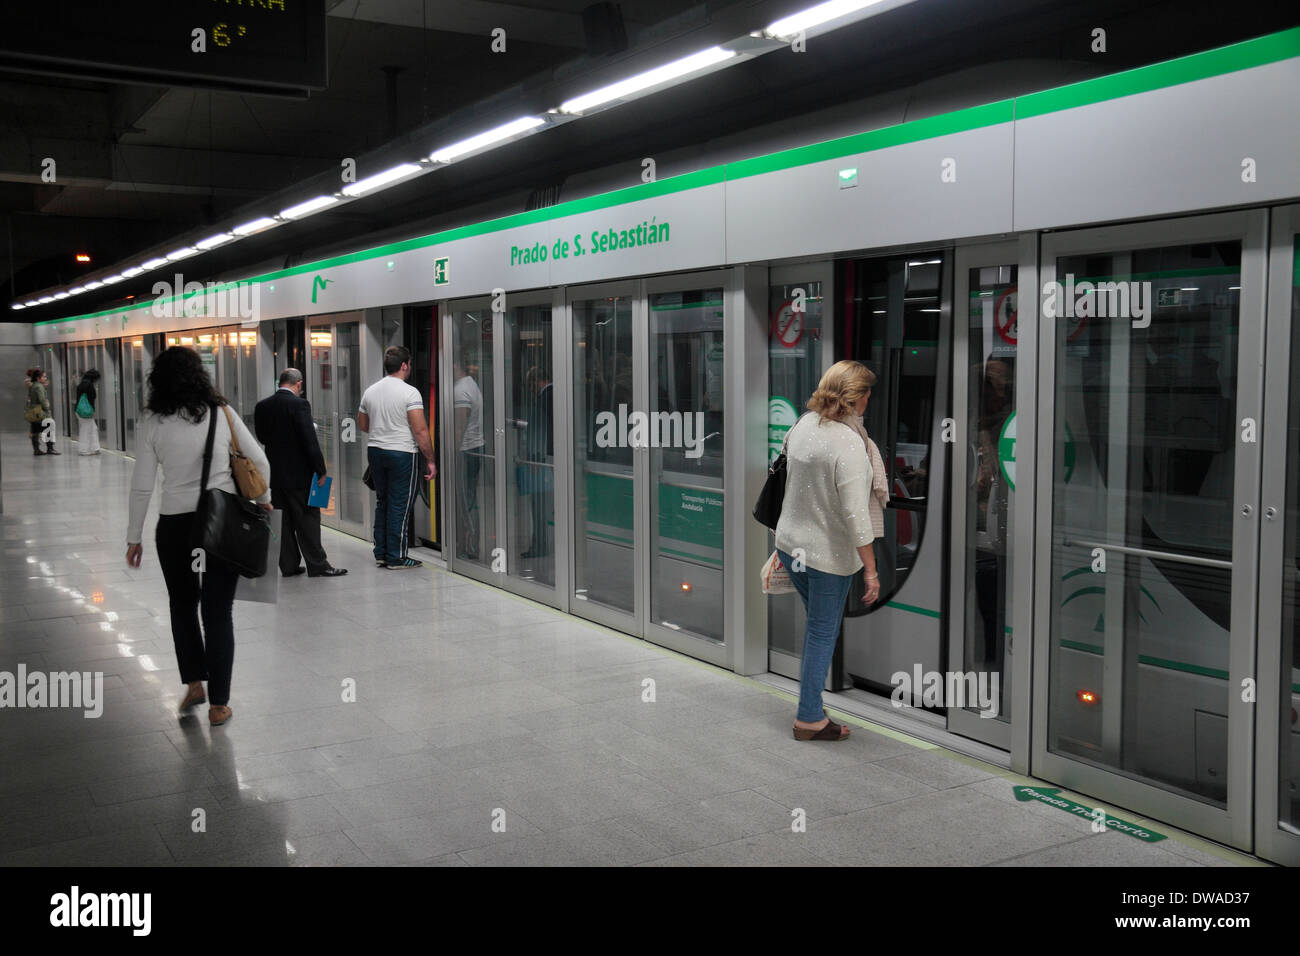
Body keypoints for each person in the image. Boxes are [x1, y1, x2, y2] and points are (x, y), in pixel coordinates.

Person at [126, 346, 273, 727]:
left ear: (158, 381)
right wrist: (265, 499)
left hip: (175, 528)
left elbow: (142, 485)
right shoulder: (221, 413)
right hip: (220, 524)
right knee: (218, 612)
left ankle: (194, 683)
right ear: (199, 375)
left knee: (182, 605)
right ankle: (219, 704)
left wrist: (133, 536)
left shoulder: (154, 422)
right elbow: (259, 461)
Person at [774, 359, 881, 741]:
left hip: (790, 545)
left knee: (817, 627)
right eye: (868, 394)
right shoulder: (850, 444)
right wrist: (870, 569)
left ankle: (812, 707)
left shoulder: (804, 425)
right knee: (822, 632)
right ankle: (809, 718)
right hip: (826, 558)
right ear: (858, 398)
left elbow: (790, 483)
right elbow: (856, 516)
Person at [254, 369, 347, 578]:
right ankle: (318, 565)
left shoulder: (262, 406)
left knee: (282, 521)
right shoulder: (299, 405)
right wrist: (321, 470)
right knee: (308, 521)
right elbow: (309, 440)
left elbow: (261, 437)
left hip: (275, 475)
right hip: (300, 476)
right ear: (298, 384)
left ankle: (288, 565)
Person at [358, 346, 435, 570]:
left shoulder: (370, 391)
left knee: (383, 501)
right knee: (399, 505)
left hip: (375, 451)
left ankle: (381, 553)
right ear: (404, 365)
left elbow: (363, 424)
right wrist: (430, 459)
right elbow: (420, 431)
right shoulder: (410, 392)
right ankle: (397, 557)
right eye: (409, 363)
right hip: (402, 453)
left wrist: (382, 429)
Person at [452, 355, 485, 560]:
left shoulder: (460, 390)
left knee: (465, 500)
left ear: (456, 365)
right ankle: (469, 544)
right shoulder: (472, 384)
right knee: (470, 497)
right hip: (477, 447)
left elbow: (459, 425)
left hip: (466, 450)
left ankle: (469, 546)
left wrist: (453, 451)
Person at [26, 368, 59, 455]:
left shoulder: (33, 385)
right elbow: (42, 400)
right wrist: (47, 407)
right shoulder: (39, 386)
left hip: (33, 412)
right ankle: (50, 448)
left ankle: (36, 449)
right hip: (41, 412)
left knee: (35, 430)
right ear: (38, 378)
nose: (45, 378)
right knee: (49, 427)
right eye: (43, 377)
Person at [75, 369, 102, 456]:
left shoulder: (81, 384)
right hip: (86, 412)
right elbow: (91, 399)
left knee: (93, 428)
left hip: (79, 410)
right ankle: (83, 450)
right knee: (86, 430)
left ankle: (95, 448)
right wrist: (92, 411)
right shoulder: (89, 385)